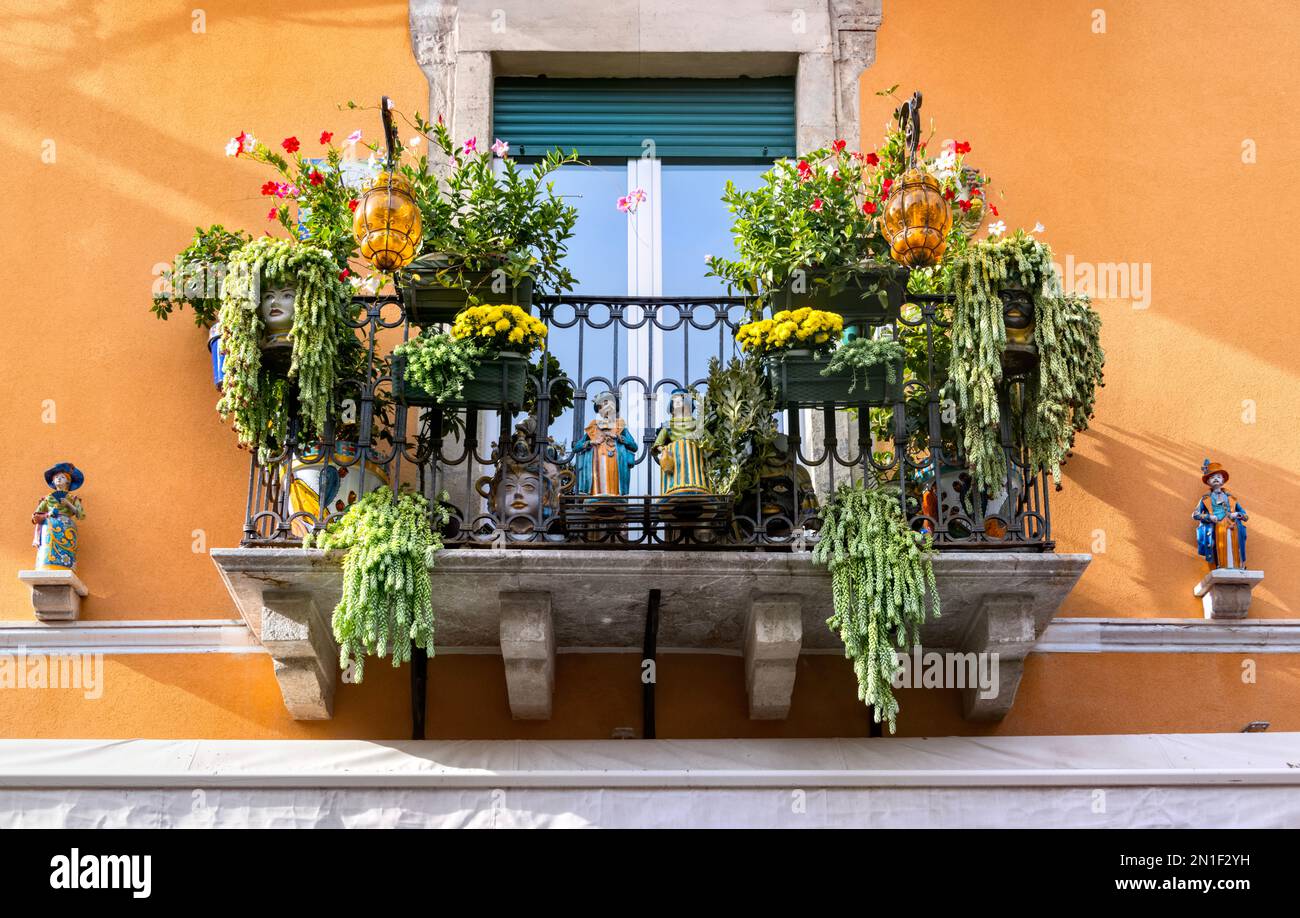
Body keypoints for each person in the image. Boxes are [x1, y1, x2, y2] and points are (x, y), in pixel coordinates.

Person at [573, 391, 636, 497]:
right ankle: (595, 495)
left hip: (616, 461)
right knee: (599, 483)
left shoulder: (620, 426)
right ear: (599, 408)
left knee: (613, 482)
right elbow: (576, 447)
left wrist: (620, 438)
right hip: (596, 461)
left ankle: (616, 496)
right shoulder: (593, 427)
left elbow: (634, 446)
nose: (608, 407)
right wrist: (591, 442)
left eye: (611, 403)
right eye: (604, 403)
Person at [651, 388, 709, 496]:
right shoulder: (668, 425)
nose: (677, 402)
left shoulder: (696, 423)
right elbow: (658, 444)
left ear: (687, 403)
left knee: (694, 477)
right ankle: (675, 489)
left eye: (680, 400)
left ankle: (696, 488)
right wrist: (663, 450)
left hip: (693, 459)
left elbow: (708, 440)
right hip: (676, 458)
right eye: (674, 400)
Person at [1193, 459, 1248, 570]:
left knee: (1233, 546)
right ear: (1208, 481)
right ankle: (1220, 566)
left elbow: (1245, 516)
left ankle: (1236, 566)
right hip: (1217, 527)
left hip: (1232, 527)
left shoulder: (1231, 498)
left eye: (1218, 476)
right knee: (1220, 546)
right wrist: (1209, 517)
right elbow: (1195, 514)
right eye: (1212, 477)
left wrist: (1237, 514)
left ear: (1223, 480)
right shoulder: (1206, 499)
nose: (1216, 479)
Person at [32, 462, 85, 571]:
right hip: (49, 526)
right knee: (47, 548)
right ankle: (45, 564)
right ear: (53, 481)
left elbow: (81, 515)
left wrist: (68, 504)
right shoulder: (47, 498)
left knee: (65, 552)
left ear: (68, 481)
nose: (59, 479)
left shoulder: (73, 498)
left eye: (62, 477)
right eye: (56, 477)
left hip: (66, 526)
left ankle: (66, 565)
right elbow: (36, 516)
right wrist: (48, 514)